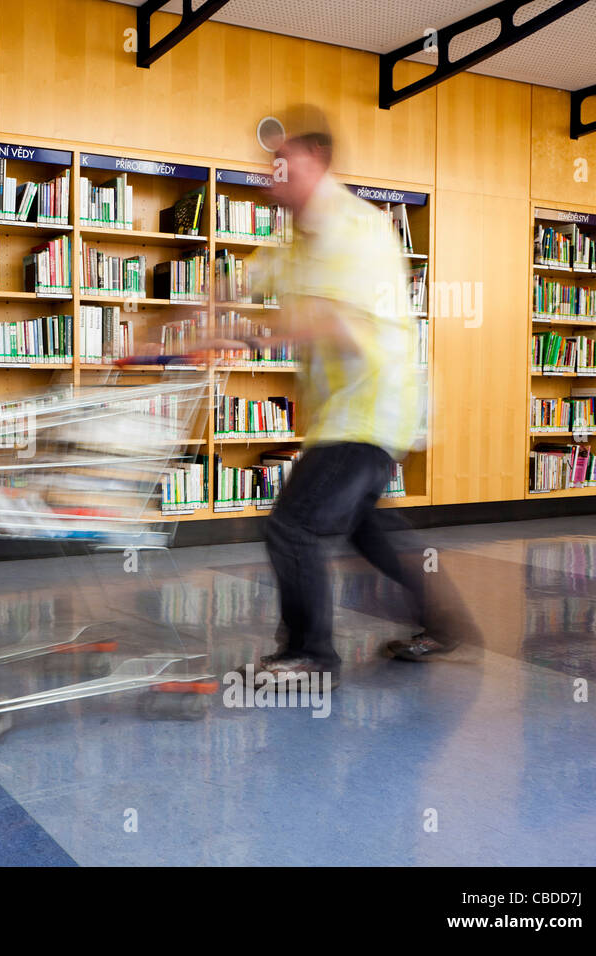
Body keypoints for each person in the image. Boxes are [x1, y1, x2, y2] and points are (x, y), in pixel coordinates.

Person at [222, 104, 460, 683]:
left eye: (284, 163)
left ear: (318, 160)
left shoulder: (356, 229)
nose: (271, 175)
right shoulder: (295, 243)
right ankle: (446, 625)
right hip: (343, 415)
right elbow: (235, 286)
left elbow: (337, 321)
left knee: (293, 525)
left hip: (371, 408)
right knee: (366, 528)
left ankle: (310, 653)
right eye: (268, 165)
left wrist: (254, 335)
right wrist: (192, 326)